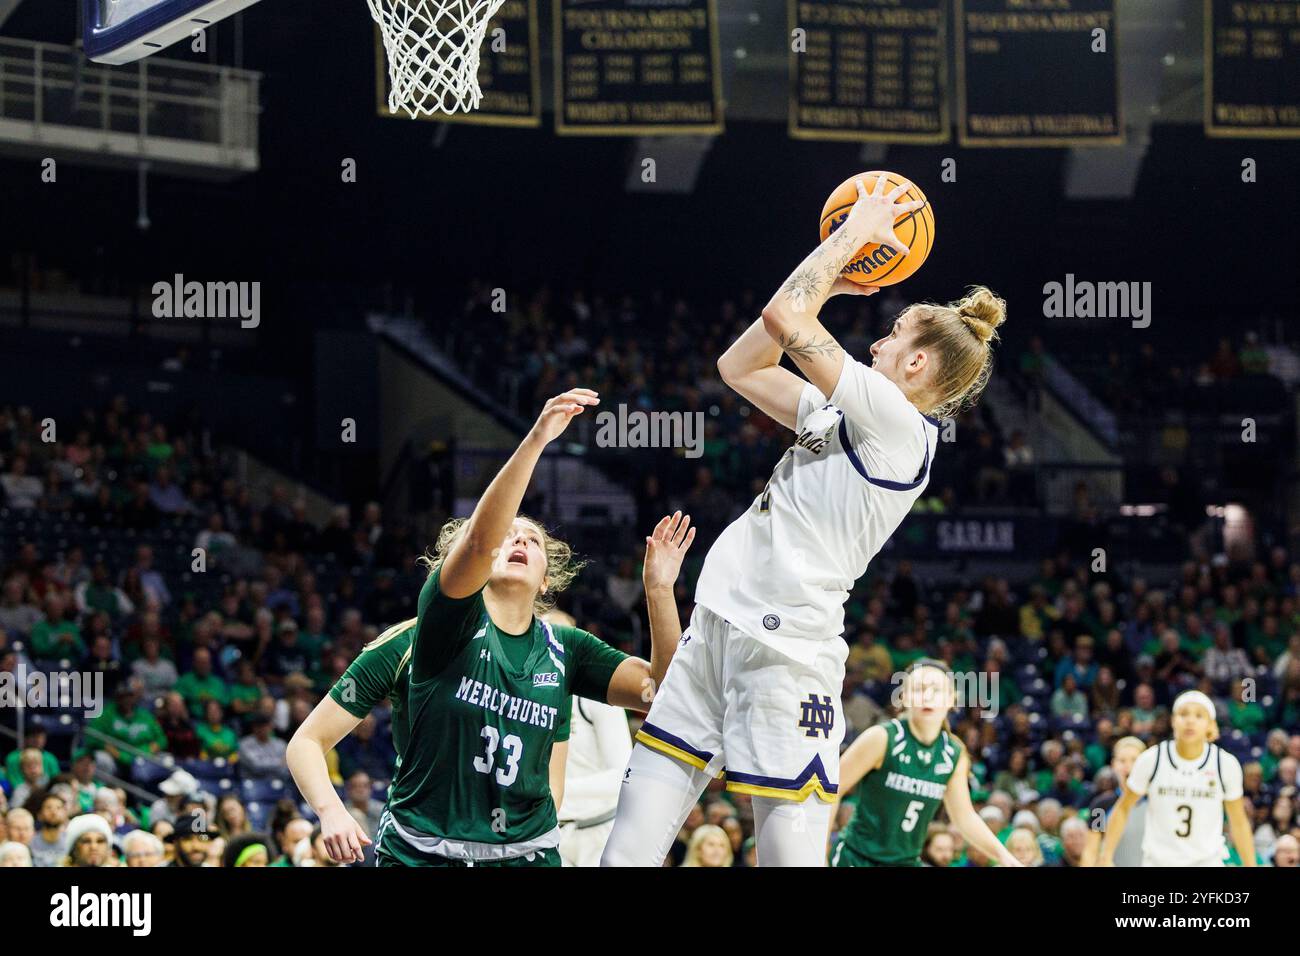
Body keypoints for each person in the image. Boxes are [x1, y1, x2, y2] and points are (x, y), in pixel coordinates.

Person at [603, 177, 1005, 867]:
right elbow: (740, 364)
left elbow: (786, 317)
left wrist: (850, 239)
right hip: (716, 630)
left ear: (915, 363)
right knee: (625, 853)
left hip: (784, 657)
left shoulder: (901, 426)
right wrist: (828, 287)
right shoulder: (845, 412)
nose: (875, 343)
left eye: (890, 334)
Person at [292, 389, 692, 866]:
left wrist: (659, 590)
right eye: (508, 536)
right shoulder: (438, 624)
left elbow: (662, 690)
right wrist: (331, 812)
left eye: (532, 540)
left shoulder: (566, 649)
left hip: (524, 854)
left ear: (546, 581)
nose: (518, 539)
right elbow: (307, 741)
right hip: (423, 851)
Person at [829, 661, 1019, 867]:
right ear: (904, 698)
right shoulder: (882, 738)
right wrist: (819, 852)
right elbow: (831, 790)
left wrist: (1005, 857)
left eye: (936, 690)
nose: (927, 697)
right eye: (919, 689)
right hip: (857, 857)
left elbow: (964, 817)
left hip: (907, 861)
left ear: (951, 699)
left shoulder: (952, 753)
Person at [1099, 691, 1256, 867]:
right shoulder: (1152, 759)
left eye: (1198, 715)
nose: (1190, 721)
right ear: (1173, 721)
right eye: (1183, 714)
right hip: (1158, 862)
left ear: (1211, 725)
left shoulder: (1225, 764)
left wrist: (1251, 864)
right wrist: (1106, 856)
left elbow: (1239, 821)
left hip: (1207, 862)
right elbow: (1122, 808)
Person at [551, 607, 635, 867]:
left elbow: (621, 776)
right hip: (550, 834)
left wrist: (552, 793)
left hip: (599, 830)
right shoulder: (521, 696)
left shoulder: (595, 698)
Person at [1081, 736, 1147, 866]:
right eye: (1122, 761)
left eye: (1134, 760)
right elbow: (1091, 851)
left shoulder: (1156, 802)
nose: (1128, 766)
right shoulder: (1100, 806)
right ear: (1113, 765)